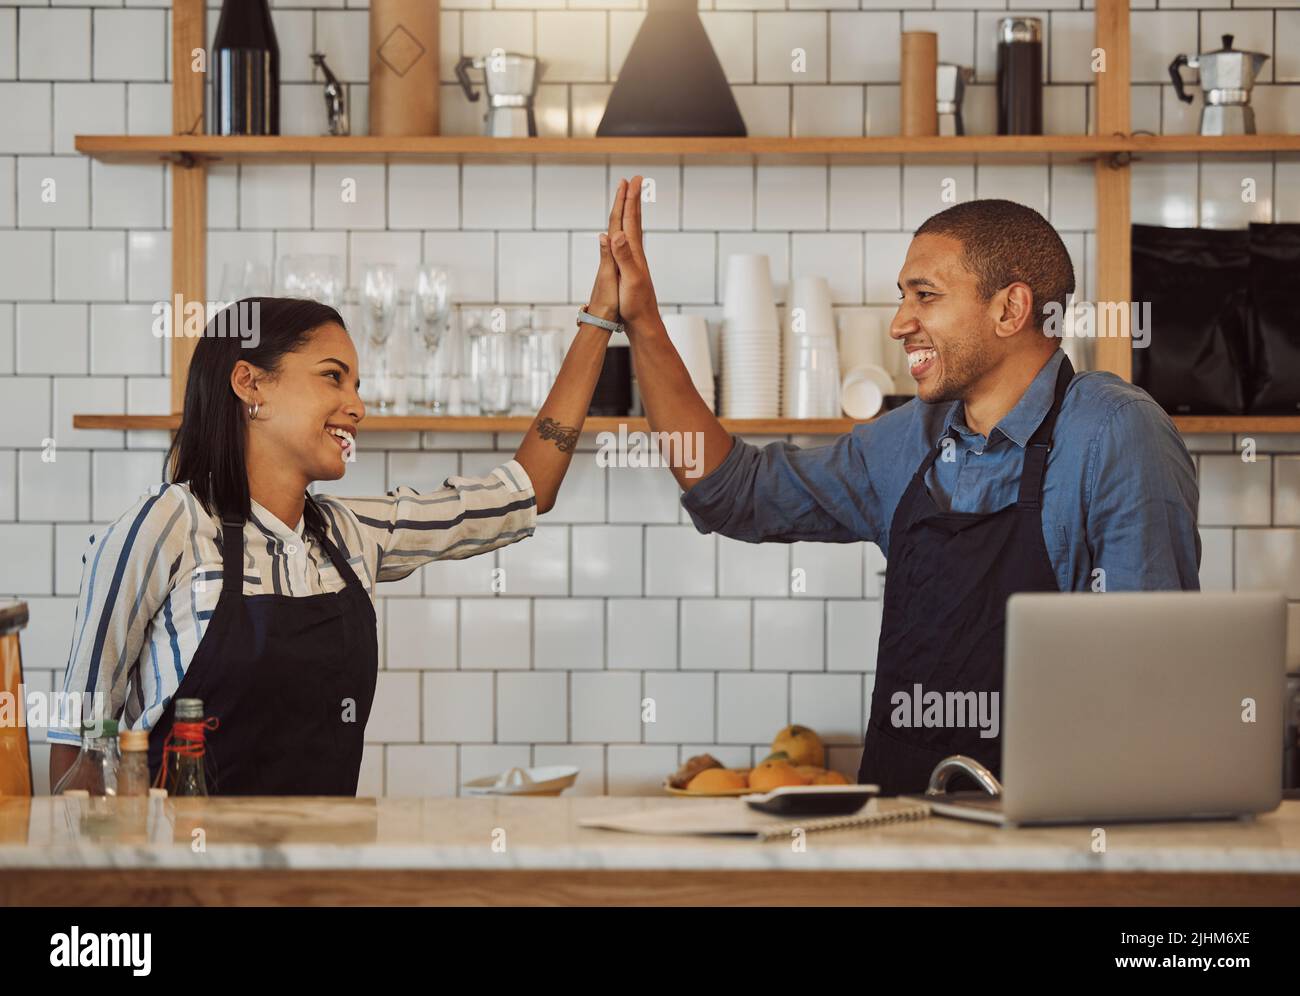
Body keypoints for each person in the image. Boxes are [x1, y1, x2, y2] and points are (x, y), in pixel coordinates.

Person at [604, 178, 1200, 794]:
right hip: (898, 829)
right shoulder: (906, 441)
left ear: (1011, 308)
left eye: (926, 296)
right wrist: (645, 324)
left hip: (1047, 845)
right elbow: (735, 493)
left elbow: (1148, 678)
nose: (899, 323)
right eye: (902, 297)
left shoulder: (1115, 431)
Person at [48, 182, 639, 795]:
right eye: (334, 378)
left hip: (324, 875)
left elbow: (524, 492)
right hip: (187, 883)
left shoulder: (354, 535)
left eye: (356, 385)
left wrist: (599, 319)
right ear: (251, 384)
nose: (356, 406)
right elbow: (76, 743)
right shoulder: (163, 527)